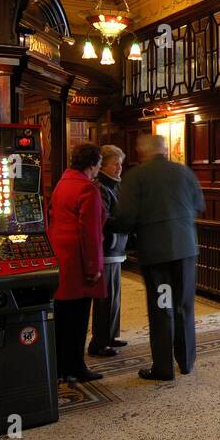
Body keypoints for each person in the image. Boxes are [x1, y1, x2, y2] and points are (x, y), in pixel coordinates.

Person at [107, 133, 206, 381]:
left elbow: (126, 217)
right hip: (185, 249)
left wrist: (112, 227)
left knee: (163, 307)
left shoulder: (136, 176)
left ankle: (163, 367)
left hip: (157, 253)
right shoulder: (184, 172)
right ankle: (186, 362)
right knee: (184, 306)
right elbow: (199, 204)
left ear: (143, 151)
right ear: (164, 149)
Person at [48, 143, 107, 384]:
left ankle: (60, 366)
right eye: (99, 164)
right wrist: (94, 268)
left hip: (60, 255)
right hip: (78, 260)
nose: (99, 169)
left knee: (62, 314)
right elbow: (90, 233)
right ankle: (75, 366)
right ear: (92, 164)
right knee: (79, 316)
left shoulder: (63, 183)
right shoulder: (87, 189)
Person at [88, 145, 129, 358]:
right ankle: (100, 341)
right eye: (115, 163)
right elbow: (105, 219)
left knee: (115, 297)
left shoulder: (114, 185)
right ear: (103, 165)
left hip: (116, 248)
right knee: (106, 297)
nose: (119, 168)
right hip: (107, 249)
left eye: (121, 163)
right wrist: (127, 222)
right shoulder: (101, 187)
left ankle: (111, 335)